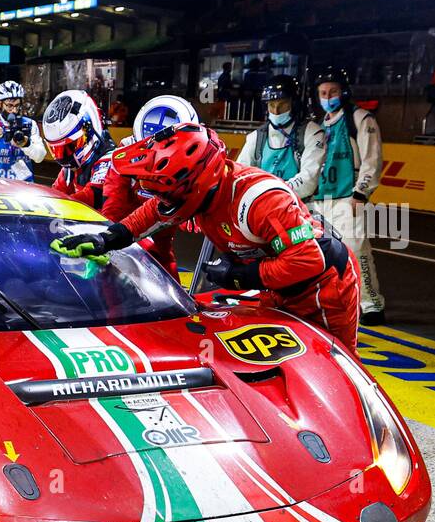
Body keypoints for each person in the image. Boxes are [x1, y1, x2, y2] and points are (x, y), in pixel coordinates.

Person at [58, 122, 360, 350]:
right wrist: (109, 238)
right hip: (276, 285)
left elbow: (308, 261)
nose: (161, 199)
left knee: (336, 367)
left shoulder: (259, 199)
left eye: (166, 191)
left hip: (323, 286)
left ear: (193, 185)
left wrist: (240, 276)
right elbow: (152, 212)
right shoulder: (199, 191)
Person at [94, 94, 202, 281]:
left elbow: (199, 214)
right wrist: (111, 238)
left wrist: (196, 216)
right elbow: (112, 209)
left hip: (161, 244)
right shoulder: (124, 154)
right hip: (127, 238)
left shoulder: (198, 159)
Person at [309, 65, 385, 325]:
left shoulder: (360, 119)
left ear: (344, 92)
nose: (328, 96)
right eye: (323, 92)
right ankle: (334, 301)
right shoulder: (319, 125)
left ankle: (371, 304)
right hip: (319, 199)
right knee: (322, 256)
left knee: (356, 251)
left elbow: (372, 159)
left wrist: (360, 194)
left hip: (347, 198)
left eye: (333, 91)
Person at [236, 75, 325, 200]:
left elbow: (308, 180)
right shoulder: (256, 137)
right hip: (262, 206)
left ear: (294, 103)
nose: (276, 111)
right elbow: (240, 174)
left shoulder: (311, 132)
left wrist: (271, 193)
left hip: (300, 208)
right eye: (271, 105)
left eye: (282, 104)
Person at [43, 89, 115, 208]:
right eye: (57, 150)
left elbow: (94, 195)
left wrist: (58, 205)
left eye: (70, 146)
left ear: (88, 130)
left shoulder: (110, 159)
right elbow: (56, 193)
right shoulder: (69, 168)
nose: (63, 157)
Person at [0, 81, 46, 182]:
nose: (14, 111)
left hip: (25, 187)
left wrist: (27, 144)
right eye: (10, 106)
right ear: (0, 103)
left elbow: (40, 157)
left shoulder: (30, 124)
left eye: (17, 105)